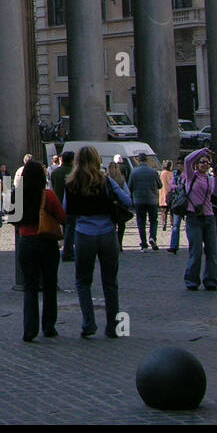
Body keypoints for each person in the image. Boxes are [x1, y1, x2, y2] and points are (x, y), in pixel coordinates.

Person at [63, 145, 131, 338]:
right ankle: (113, 327)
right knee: (110, 282)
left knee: (83, 281)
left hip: (84, 234)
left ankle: (89, 324)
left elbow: (66, 209)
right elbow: (127, 201)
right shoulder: (106, 181)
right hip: (107, 233)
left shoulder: (71, 183)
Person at [15, 157, 66, 341]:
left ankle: (29, 330)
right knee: (49, 286)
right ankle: (49, 326)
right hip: (46, 242)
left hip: (26, 242)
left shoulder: (17, 195)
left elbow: (13, 219)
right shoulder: (48, 195)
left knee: (30, 287)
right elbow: (62, 217)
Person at [181, 148, 217, 291]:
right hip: (194, 217)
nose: (205, 165)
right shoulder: (191, 176)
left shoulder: (210, 179)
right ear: (196, 164)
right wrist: (203, 151)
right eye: (202, 162)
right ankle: (191, 281)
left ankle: (211, 280)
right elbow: (187, 160)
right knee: (196, 251)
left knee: (212, 251)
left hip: (209, 217)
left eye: (207, 163)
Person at [128, 159, 162, 250]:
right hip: (152, 200)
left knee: (141, 222)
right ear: (146, 160)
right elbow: (160, 185)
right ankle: (152, 237)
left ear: (138, 161)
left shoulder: (134, 172)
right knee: (153, 220)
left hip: (138, 200)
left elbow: (129, 186)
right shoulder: (153, 172)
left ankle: (143, 244)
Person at [51, 149, 76, 261]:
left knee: (61, 228)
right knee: (70, 228)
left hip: (58, 203)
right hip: (71, 204)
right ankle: (68, 251)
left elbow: (53, 186)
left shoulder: (55, 172)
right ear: (72, 160)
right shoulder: (75, 172)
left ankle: (60, 248)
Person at [106, 159, 130, 249]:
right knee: (121, 225)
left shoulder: (106, 179)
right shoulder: (121, 179)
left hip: (110, 205)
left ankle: (111, 243)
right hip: (120, 206)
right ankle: (119, 243)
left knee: (111, 225)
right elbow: (127, 193)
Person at [167, 156, 187, 253]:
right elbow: (171, 185)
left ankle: (193, 243)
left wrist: (178, 186)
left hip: (187, 202)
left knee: (190, 225)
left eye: (181, 163)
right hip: (178, 201)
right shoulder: (176, 173)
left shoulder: (189, 173)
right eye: (178, 163)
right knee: (175, 225)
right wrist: (179, 187)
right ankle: (174, 246)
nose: (179, 165)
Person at [159, 159, 173, 233]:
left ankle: (164, 223)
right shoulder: (171, 174)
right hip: (170, 194)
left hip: (162, 193)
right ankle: (172, 224)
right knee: (171, 211)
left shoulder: (161, 173)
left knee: (163, 211)